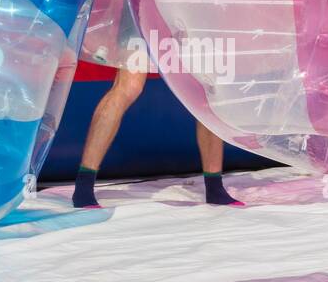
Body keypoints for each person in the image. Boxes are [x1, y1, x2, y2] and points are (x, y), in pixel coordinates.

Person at [71, 65, 243, 209]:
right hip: (140, 26)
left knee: (206, 88)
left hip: (184, 26)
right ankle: (83, 185)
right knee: (128, 86)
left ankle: (214, 187)